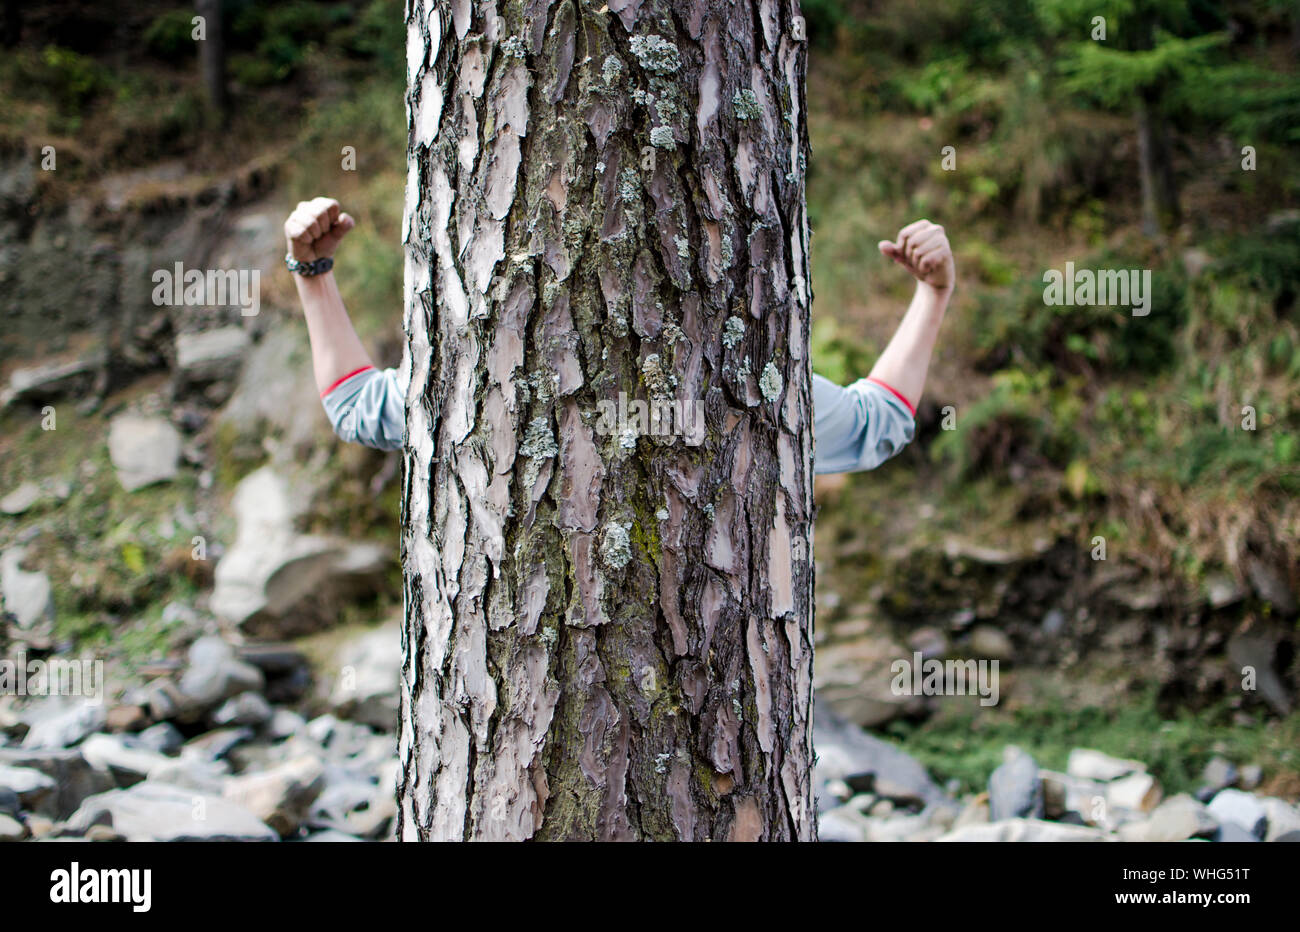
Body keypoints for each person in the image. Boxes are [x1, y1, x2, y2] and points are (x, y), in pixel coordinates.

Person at [283, 197, 954, 472]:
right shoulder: (742, 389)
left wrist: (313, 273)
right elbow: (879, 424)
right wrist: (933, 295)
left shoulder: (493, 380)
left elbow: (352, 402)